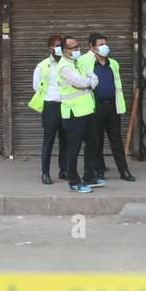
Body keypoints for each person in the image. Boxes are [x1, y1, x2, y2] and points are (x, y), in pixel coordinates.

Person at [82, 33, 135, 183]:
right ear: (92, 47)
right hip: (95, 107)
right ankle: (99, 171)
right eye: (100, 44)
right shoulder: (85, 62)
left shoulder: (113, 63)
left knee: (116, 140)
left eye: (105, 43)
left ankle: (124, 170)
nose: (104, 47)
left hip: (112, 106)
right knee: (96, 140)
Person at [57, 35, 99, 193]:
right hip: (74, 114)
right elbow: (83, 82)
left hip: (88, 111)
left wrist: (88, 82)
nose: (77, 49)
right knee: (73, 148)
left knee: (93, 144)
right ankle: (74, 181)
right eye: (73, 48)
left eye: (78, 46)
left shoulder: (78, 62)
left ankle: (89, 176)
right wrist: (88, 82)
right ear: (64, 51)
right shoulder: (64, 67)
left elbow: (94, 78)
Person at [28, 33, 69, 185]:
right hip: (51, 106)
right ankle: (45, 172)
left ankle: (63, 170)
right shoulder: (42, 66)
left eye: (62, 46)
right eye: (58, 46)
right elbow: (36, 86)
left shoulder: (68, 63)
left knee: (65, 140)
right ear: (50, 48)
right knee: (49, 140)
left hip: (66, 105)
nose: (60, 48)